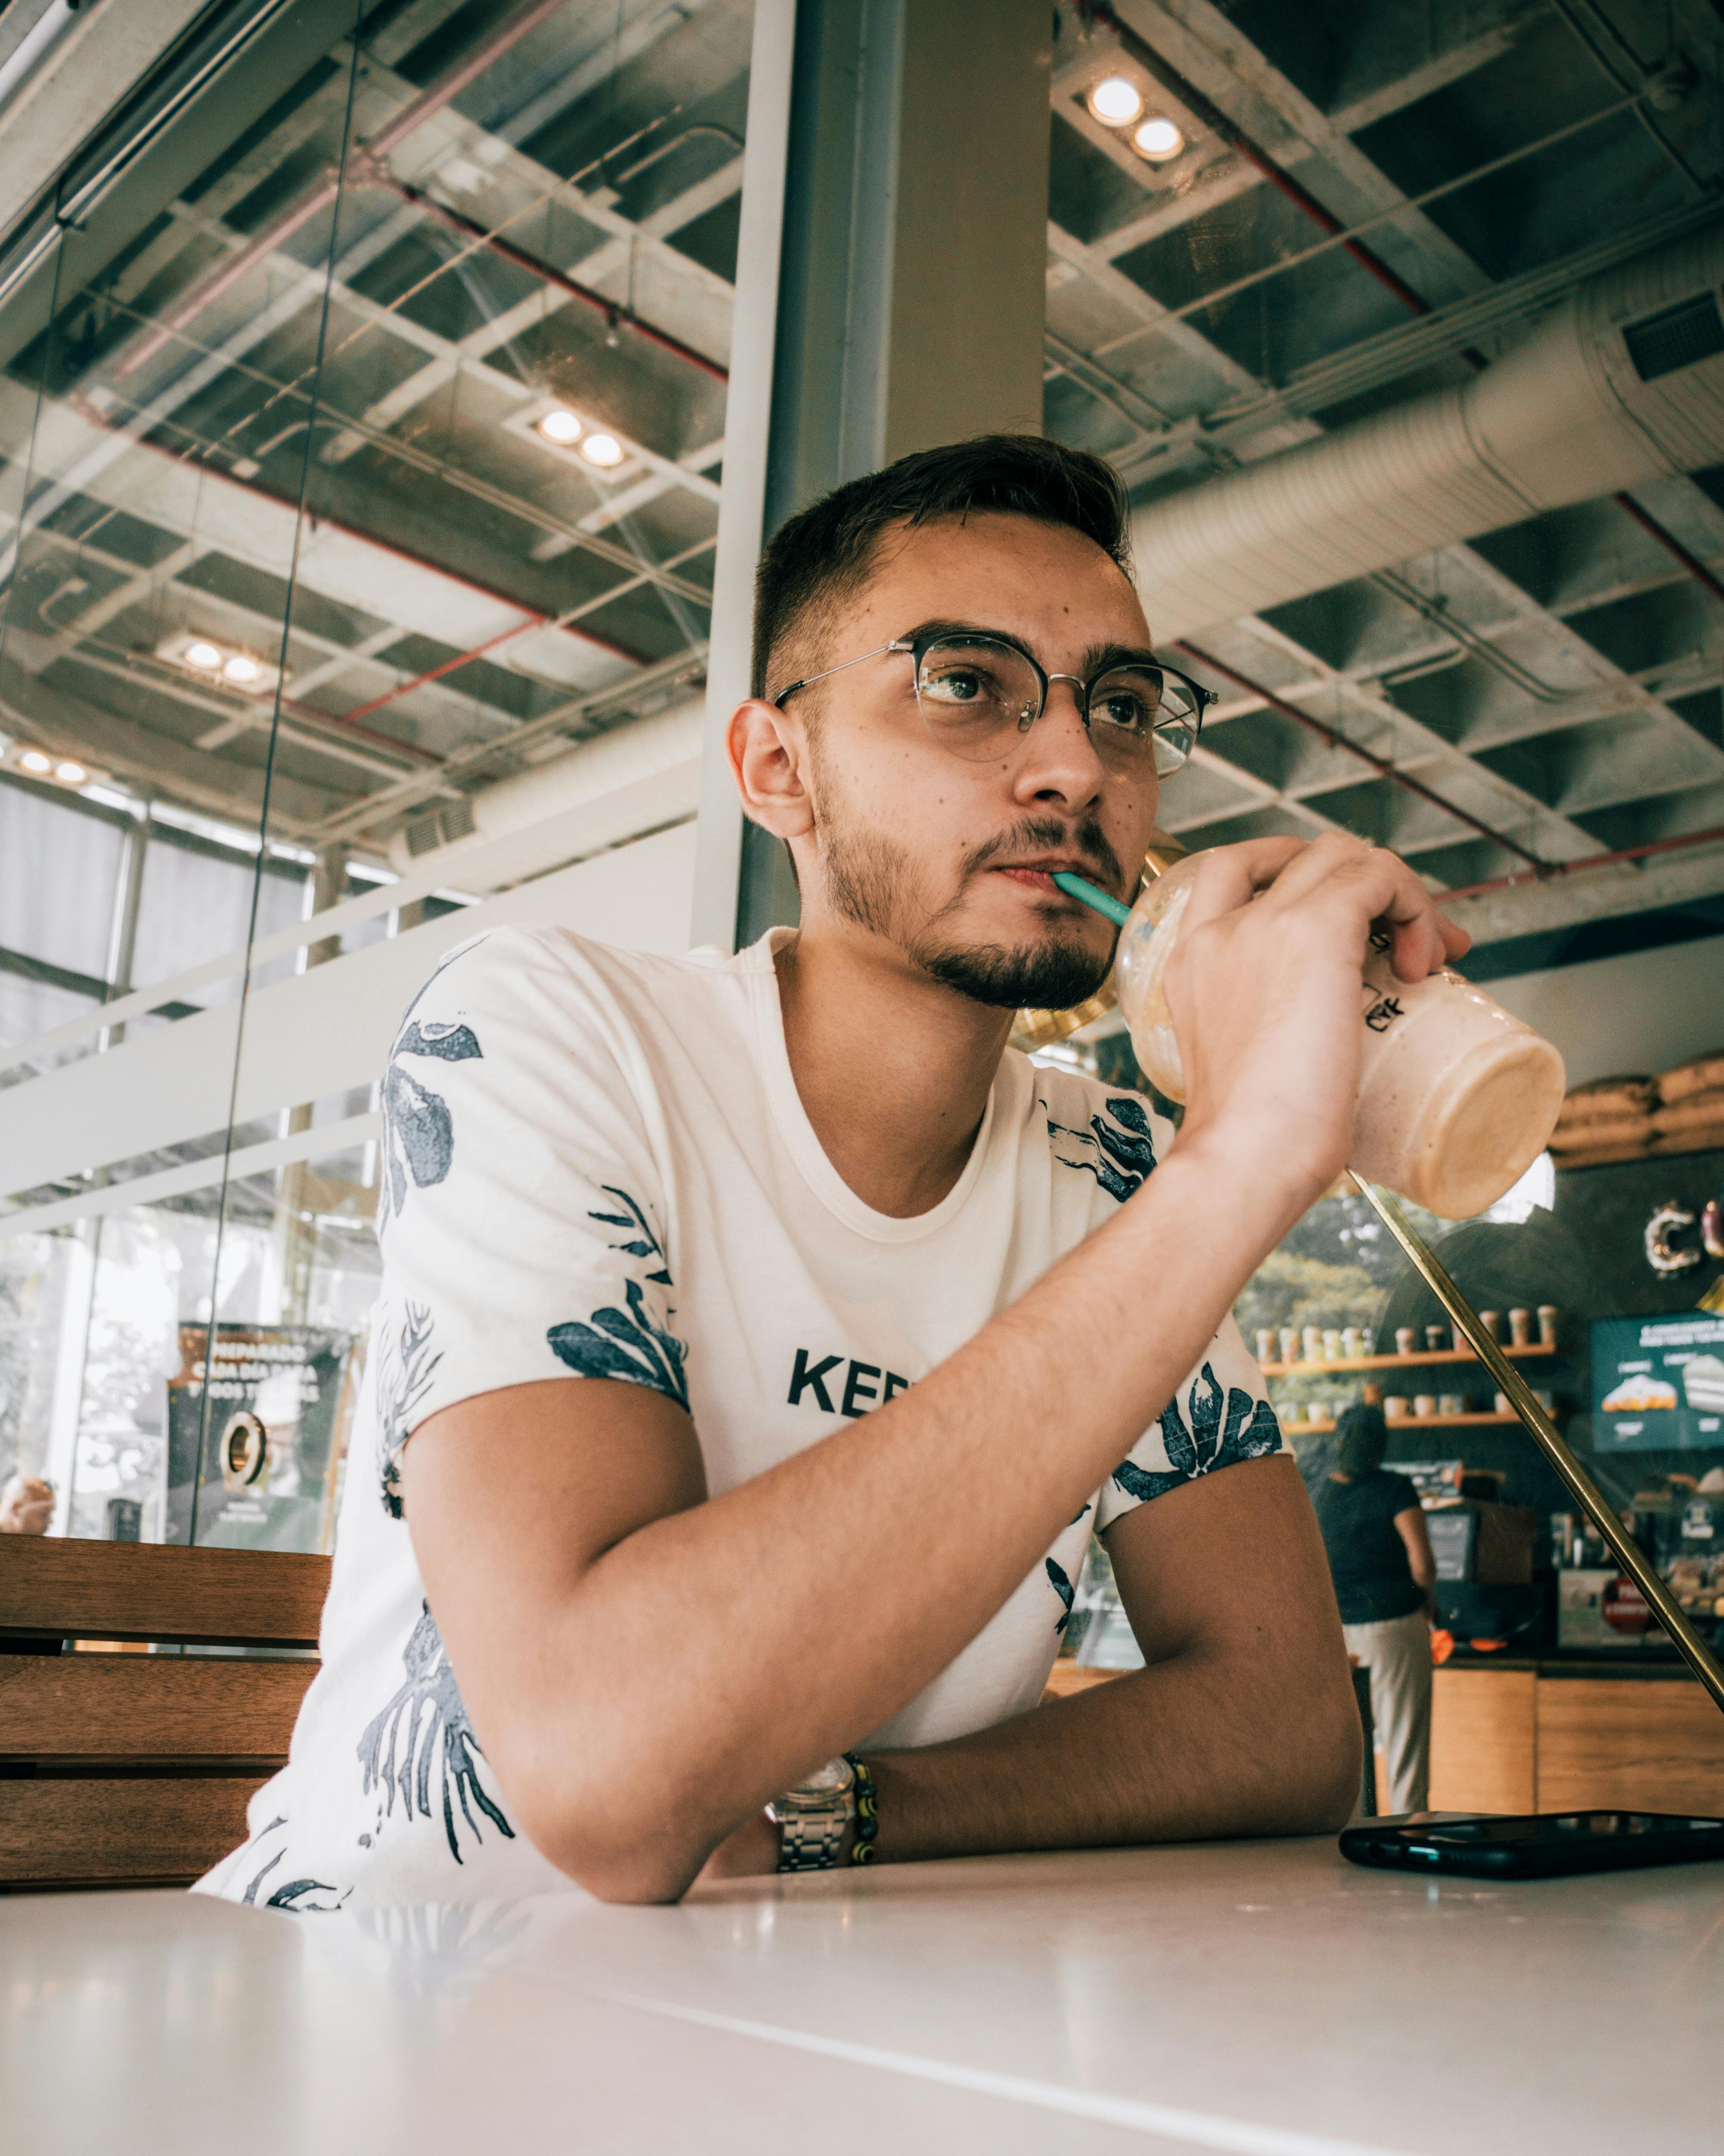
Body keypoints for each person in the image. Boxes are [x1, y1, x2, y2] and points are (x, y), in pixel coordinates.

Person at [196, 434, 1467, 1911]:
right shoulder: (552, 1029)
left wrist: (839, 1814)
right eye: (961, 682)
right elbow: (603, 1772)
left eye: (1118, 707)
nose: (1073, 766)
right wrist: (1240, 1158)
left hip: (826, 2027)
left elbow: (1284, 1729)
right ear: (775, 768)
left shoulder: (1110, 1165)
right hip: (375, 2019)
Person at [1314, 1401, 1437, 1816]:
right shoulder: (1394, 1488)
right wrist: (1427, 1596)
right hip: (1394, 1628)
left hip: (1336, 1635)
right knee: (1404, 1748)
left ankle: (1352, 1847)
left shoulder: (1318, 1493)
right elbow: (1422, 1566)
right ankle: (1408, 1844)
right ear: (1381, 1444)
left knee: (1348, 1752)